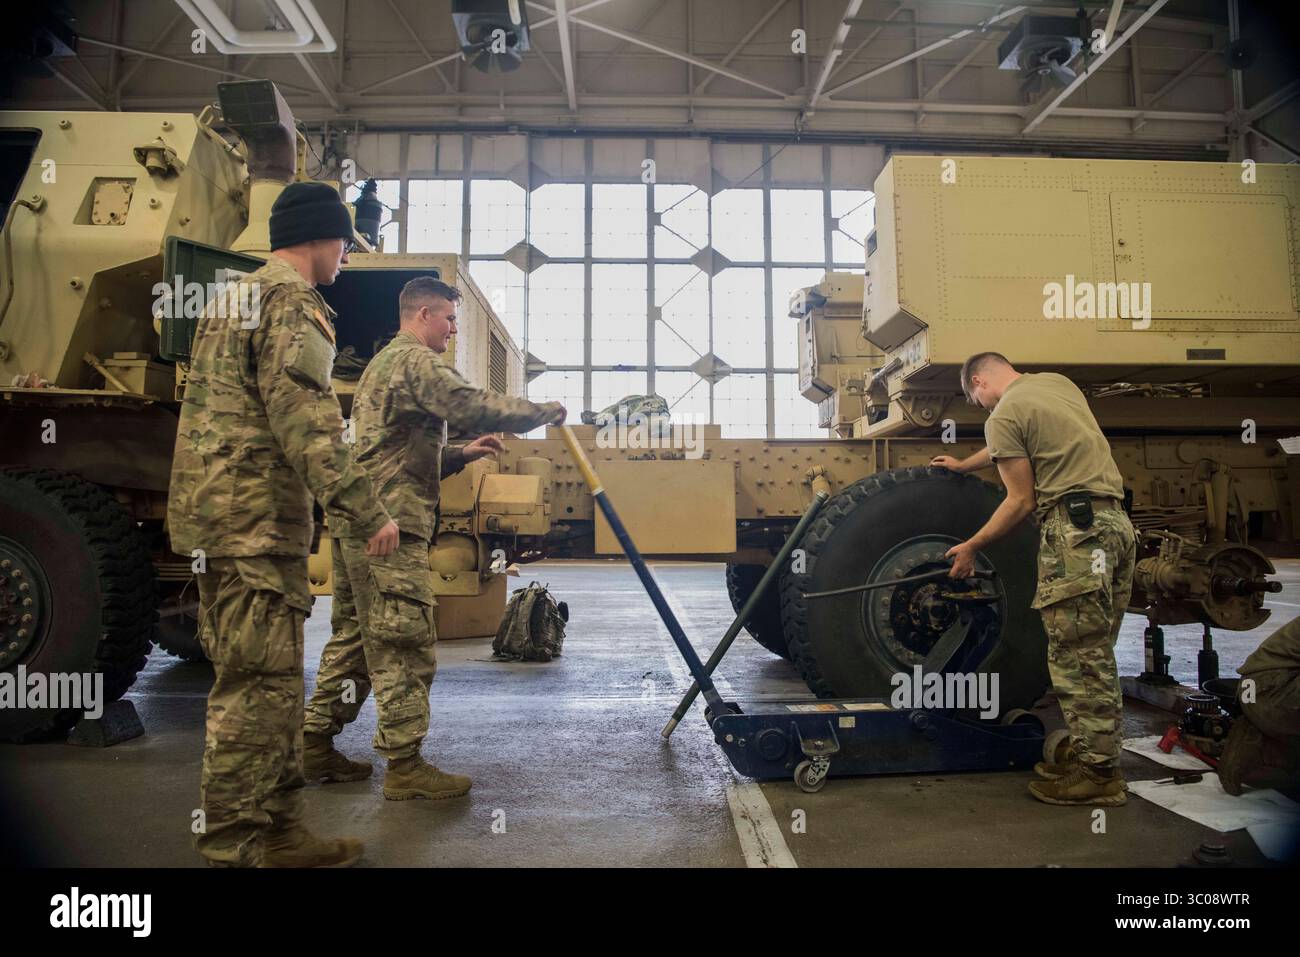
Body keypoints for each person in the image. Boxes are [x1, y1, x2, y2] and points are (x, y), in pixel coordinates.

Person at [169, 181, 400, 867]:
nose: (348, 258)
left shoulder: (234, 294)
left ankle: (281, 830)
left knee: (269, 686)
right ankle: (231, 845)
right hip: (252, 523)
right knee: (253, 692)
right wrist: (366, 508)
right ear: (318, 238)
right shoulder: (292, 302)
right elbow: (308, 424)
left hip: (224, 519)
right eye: (345, 245)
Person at [302, 275, 565, 800]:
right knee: (406, 643)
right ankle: (404, 767)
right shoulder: (414, 362)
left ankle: (312, 747)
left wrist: (459, 456)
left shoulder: (385, 365)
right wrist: (540, 412)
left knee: (355, 639)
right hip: (390, 529)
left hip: (363, 523)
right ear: (422, 314)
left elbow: (389, 454)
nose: (451, 330)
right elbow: (469, 405)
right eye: (447, 318)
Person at [931, 352, 1136, 806]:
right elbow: (1018, 441)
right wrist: (967, 465)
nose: (981, 407)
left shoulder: (1002, 413)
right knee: (1094, 653)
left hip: (1077, 536)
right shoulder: (1056, 385)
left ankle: (1099, 777)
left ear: (980, 381)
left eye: (974, 398)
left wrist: (972, 546)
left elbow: (1020, 500)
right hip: (1116, 528)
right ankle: (1096, 758)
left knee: (1079, 658)